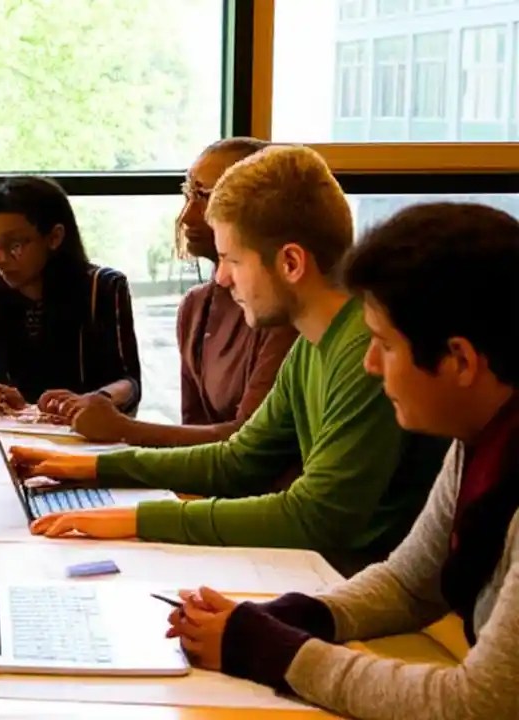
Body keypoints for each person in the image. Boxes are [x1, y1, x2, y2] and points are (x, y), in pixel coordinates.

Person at [11, 146, 448, 576]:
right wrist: (91, 467)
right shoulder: (311, 346)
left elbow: (317, 517)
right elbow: (236, 460)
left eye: (230, 259)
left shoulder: (362, 351)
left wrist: (136, 520)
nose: (221, 278)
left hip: (353, 577)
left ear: (291, 262)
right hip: (322, 569)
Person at [168, 203, 519, 720]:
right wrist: (283, 617)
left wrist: (276, 652)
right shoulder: (480, 436)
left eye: (383, 344)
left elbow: (479, 703)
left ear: (461, 360)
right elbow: (407, 583)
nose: (369, 364)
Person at [70, 138, 298, 447]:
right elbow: (194, 443)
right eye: (188, 194)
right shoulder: (195, 307)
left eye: (207, 197)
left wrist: (121, 430)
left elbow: (249, 448)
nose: (186, 217)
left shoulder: (280, 308)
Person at [0, 176, 142, 419]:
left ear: (54, 237)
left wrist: (96, 400)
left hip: (86, 431)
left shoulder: (104, 287)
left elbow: (129, 382)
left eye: (14, 245)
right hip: (17, 430)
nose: (0, 258)